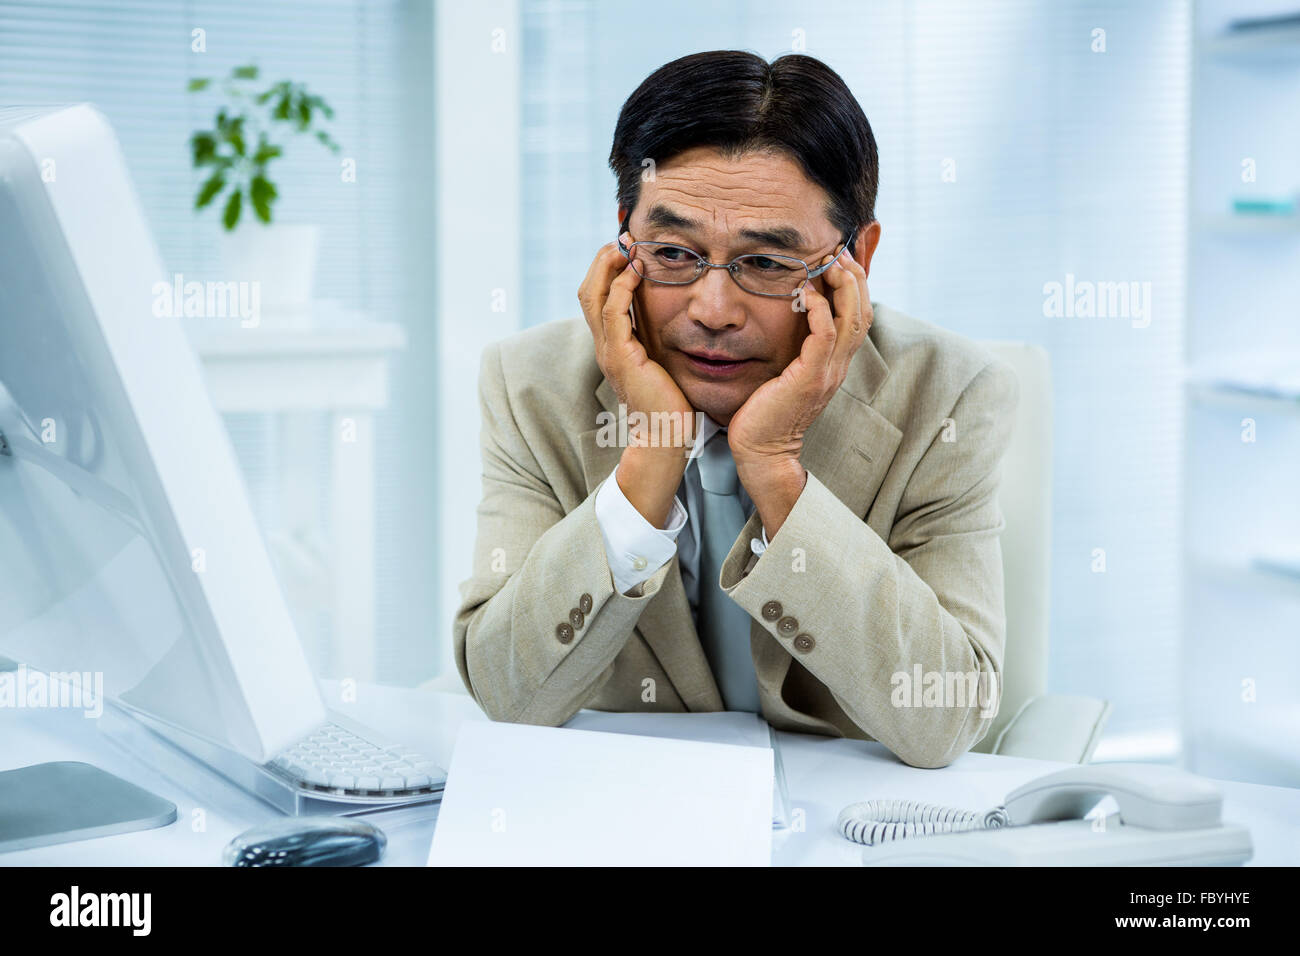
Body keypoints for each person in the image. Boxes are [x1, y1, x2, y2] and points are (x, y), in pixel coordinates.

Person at [453, 50, 1018, 768]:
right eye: (674, 253)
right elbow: (509, 694)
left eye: (767, 263)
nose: (713, 310)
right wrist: (651, 457)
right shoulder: (529, 384)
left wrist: (775, 471)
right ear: (623, 235)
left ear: (858, 260)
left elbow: (945, 718)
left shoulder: (949, 394)